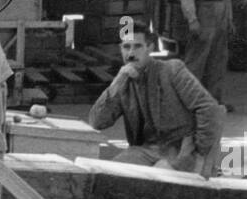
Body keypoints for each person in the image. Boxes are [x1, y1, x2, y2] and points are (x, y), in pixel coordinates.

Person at [88, 21, 226, 178]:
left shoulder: (172, 70)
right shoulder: (124, 81)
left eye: (137, 46)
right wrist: (116, 83)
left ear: (150, 48)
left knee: (155, 179)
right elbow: (97, 122)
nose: (131, 53)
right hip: (147, 150)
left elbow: (209, 109)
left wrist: (198, 153)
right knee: (109, 176)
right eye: (126, 47)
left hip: (181, 149)